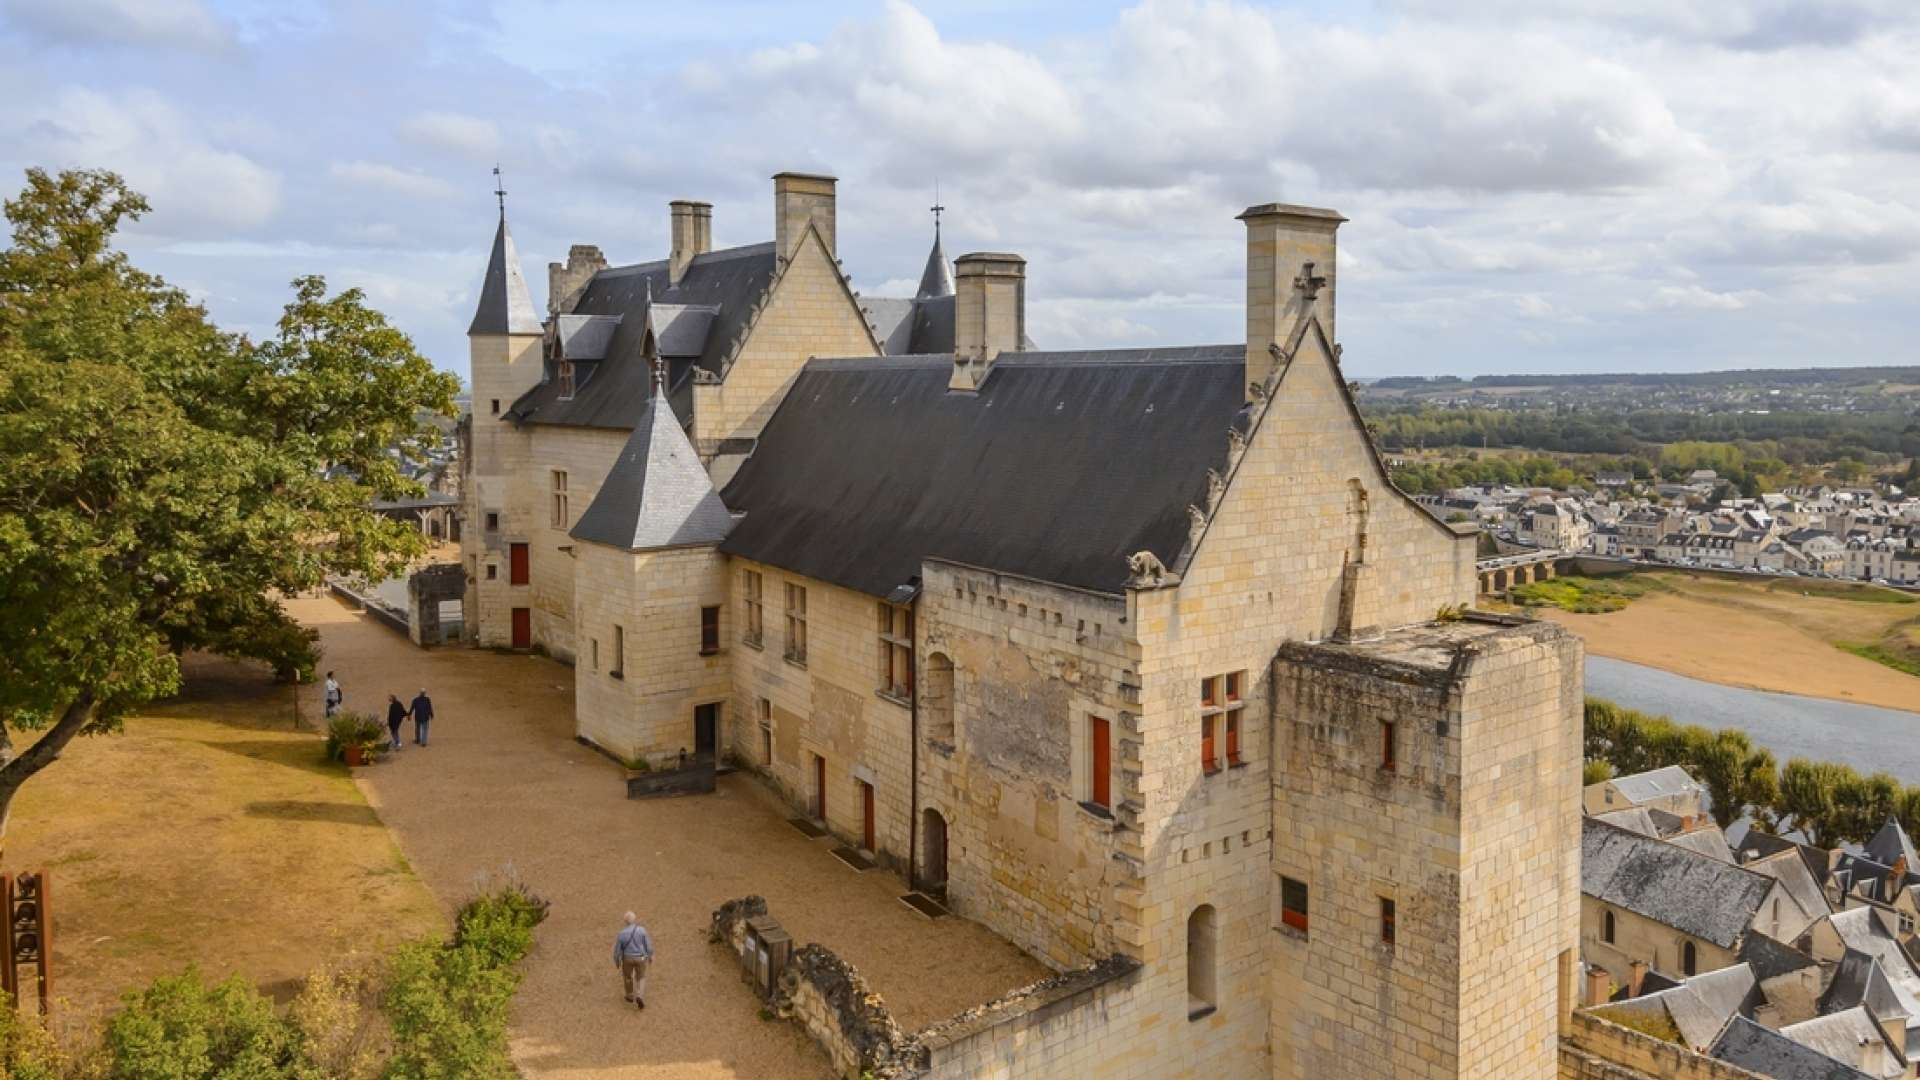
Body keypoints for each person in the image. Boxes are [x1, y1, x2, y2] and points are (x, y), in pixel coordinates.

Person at [613, 912, 653, 1008]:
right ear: (634, 919)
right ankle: (639, 995)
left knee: (627, 977)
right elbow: (648, 945)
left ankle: (630, 995)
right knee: (641, 977)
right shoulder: (642, 930)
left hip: (627, 958)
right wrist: (650, 955)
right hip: (641, 957)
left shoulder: (622, 933)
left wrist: (617, 960)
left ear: (625, 921)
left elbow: (617, 950)